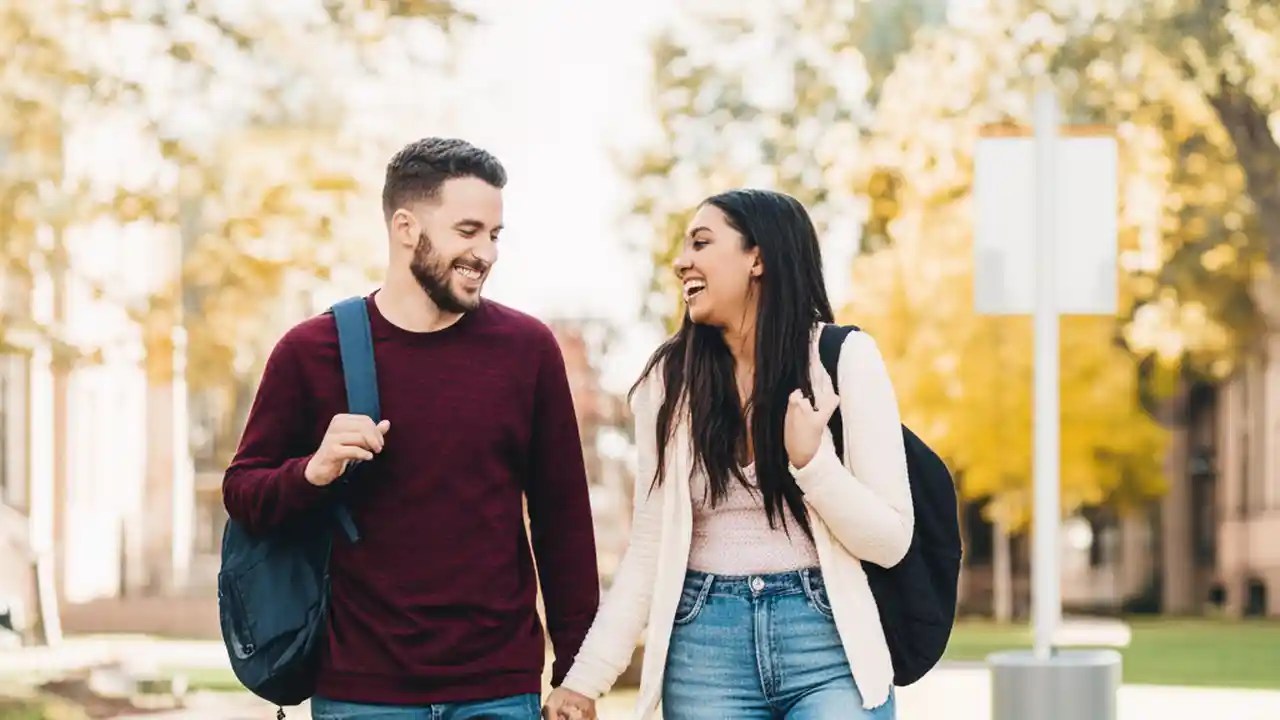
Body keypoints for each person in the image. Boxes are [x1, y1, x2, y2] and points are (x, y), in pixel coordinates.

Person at [222, 137, 601, 720]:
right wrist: (311, 472)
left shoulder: (528, 352)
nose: (486, 254)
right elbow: (243, 492)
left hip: (497, 689)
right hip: (360, 693)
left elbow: (563, 522)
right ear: (405, 227)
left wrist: (577, 674)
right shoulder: (310, 352)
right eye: (467, 231)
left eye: (495, 235)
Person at [543, 189, 912, 720]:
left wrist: (814, 465)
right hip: (705, 648)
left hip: (828, 646)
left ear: (756, 258)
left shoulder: (844, 359)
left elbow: (891, 541)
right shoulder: (667, 383)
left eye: (702, 242)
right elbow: (649, 549)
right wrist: (585, 681)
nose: (680, 262)